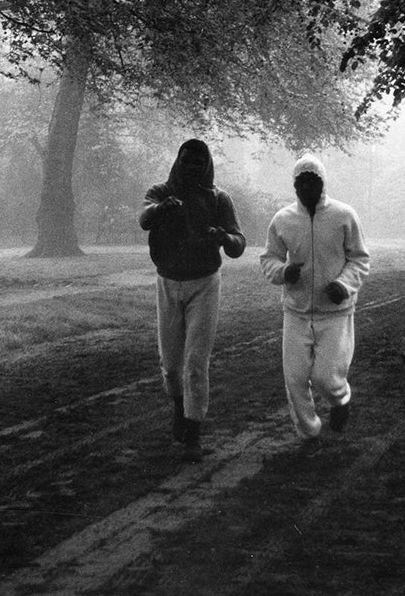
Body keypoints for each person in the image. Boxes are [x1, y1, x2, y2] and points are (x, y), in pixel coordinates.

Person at [139, 139, 246, 462]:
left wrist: (224, 238)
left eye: (199, 162)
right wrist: (162, 209)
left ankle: (193, 433)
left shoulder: (219, 198)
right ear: (178, 161)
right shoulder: (160, 192)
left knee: (195, 363)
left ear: (207, 166)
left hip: (204, 283)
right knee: (171, 366)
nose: (192, 167)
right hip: (168, 281)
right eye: (187, 160)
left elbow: (239, 243)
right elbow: (144, 218)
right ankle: (178, 407)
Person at [260, 152, 369, 440]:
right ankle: (308, 433)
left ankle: (340, 398)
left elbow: (359, 259)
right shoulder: (283, 219)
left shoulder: (343, 215)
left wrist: (344, 285)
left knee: (325, 377)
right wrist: (284, 272)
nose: (308, 187)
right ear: (294, 185)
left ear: (323, 182)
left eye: (314, 181)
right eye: (302, 182)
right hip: (295, 311)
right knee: (295, 378)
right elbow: (269, 258)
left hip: (335, 312)